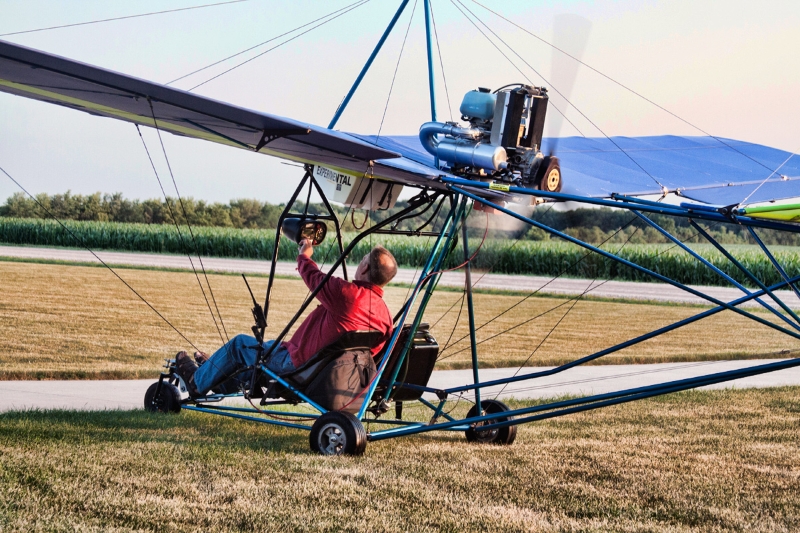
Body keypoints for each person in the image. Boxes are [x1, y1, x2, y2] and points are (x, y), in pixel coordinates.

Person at [174, 238, 398, 397]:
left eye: (364, 259)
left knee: (240, 345)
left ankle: (196, 382)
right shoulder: (385, 315)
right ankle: (213, 371)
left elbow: (314, 277)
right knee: (259, 352)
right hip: (335, 374)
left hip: (298, 366)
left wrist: (304, 256)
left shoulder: (348, 295)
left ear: (365, 266)